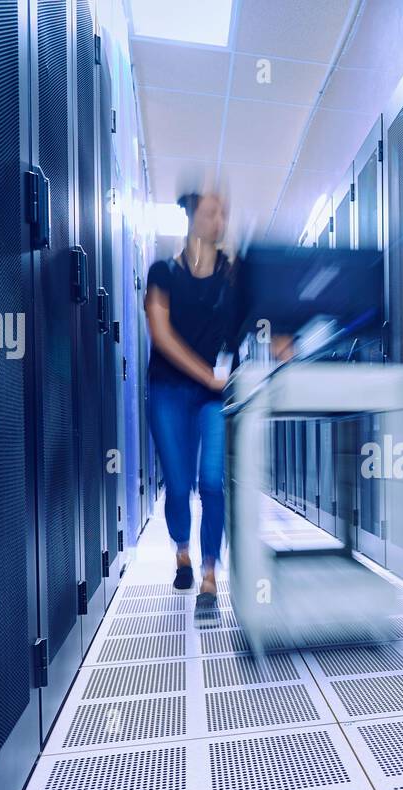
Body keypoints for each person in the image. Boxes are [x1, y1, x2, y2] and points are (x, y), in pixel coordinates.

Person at [144, 191, 240, 606]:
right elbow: (160, 335)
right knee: (178, 484)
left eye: (223, 214)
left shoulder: (231, 274)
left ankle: (209, 575)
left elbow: (253, 317)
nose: (219, 220)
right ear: (190, 216)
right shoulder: (162, 272)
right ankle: (182, 552)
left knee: (212, 482)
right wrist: (206, 374)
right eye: (210, 212)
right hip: (168, 390)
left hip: (212, 398)